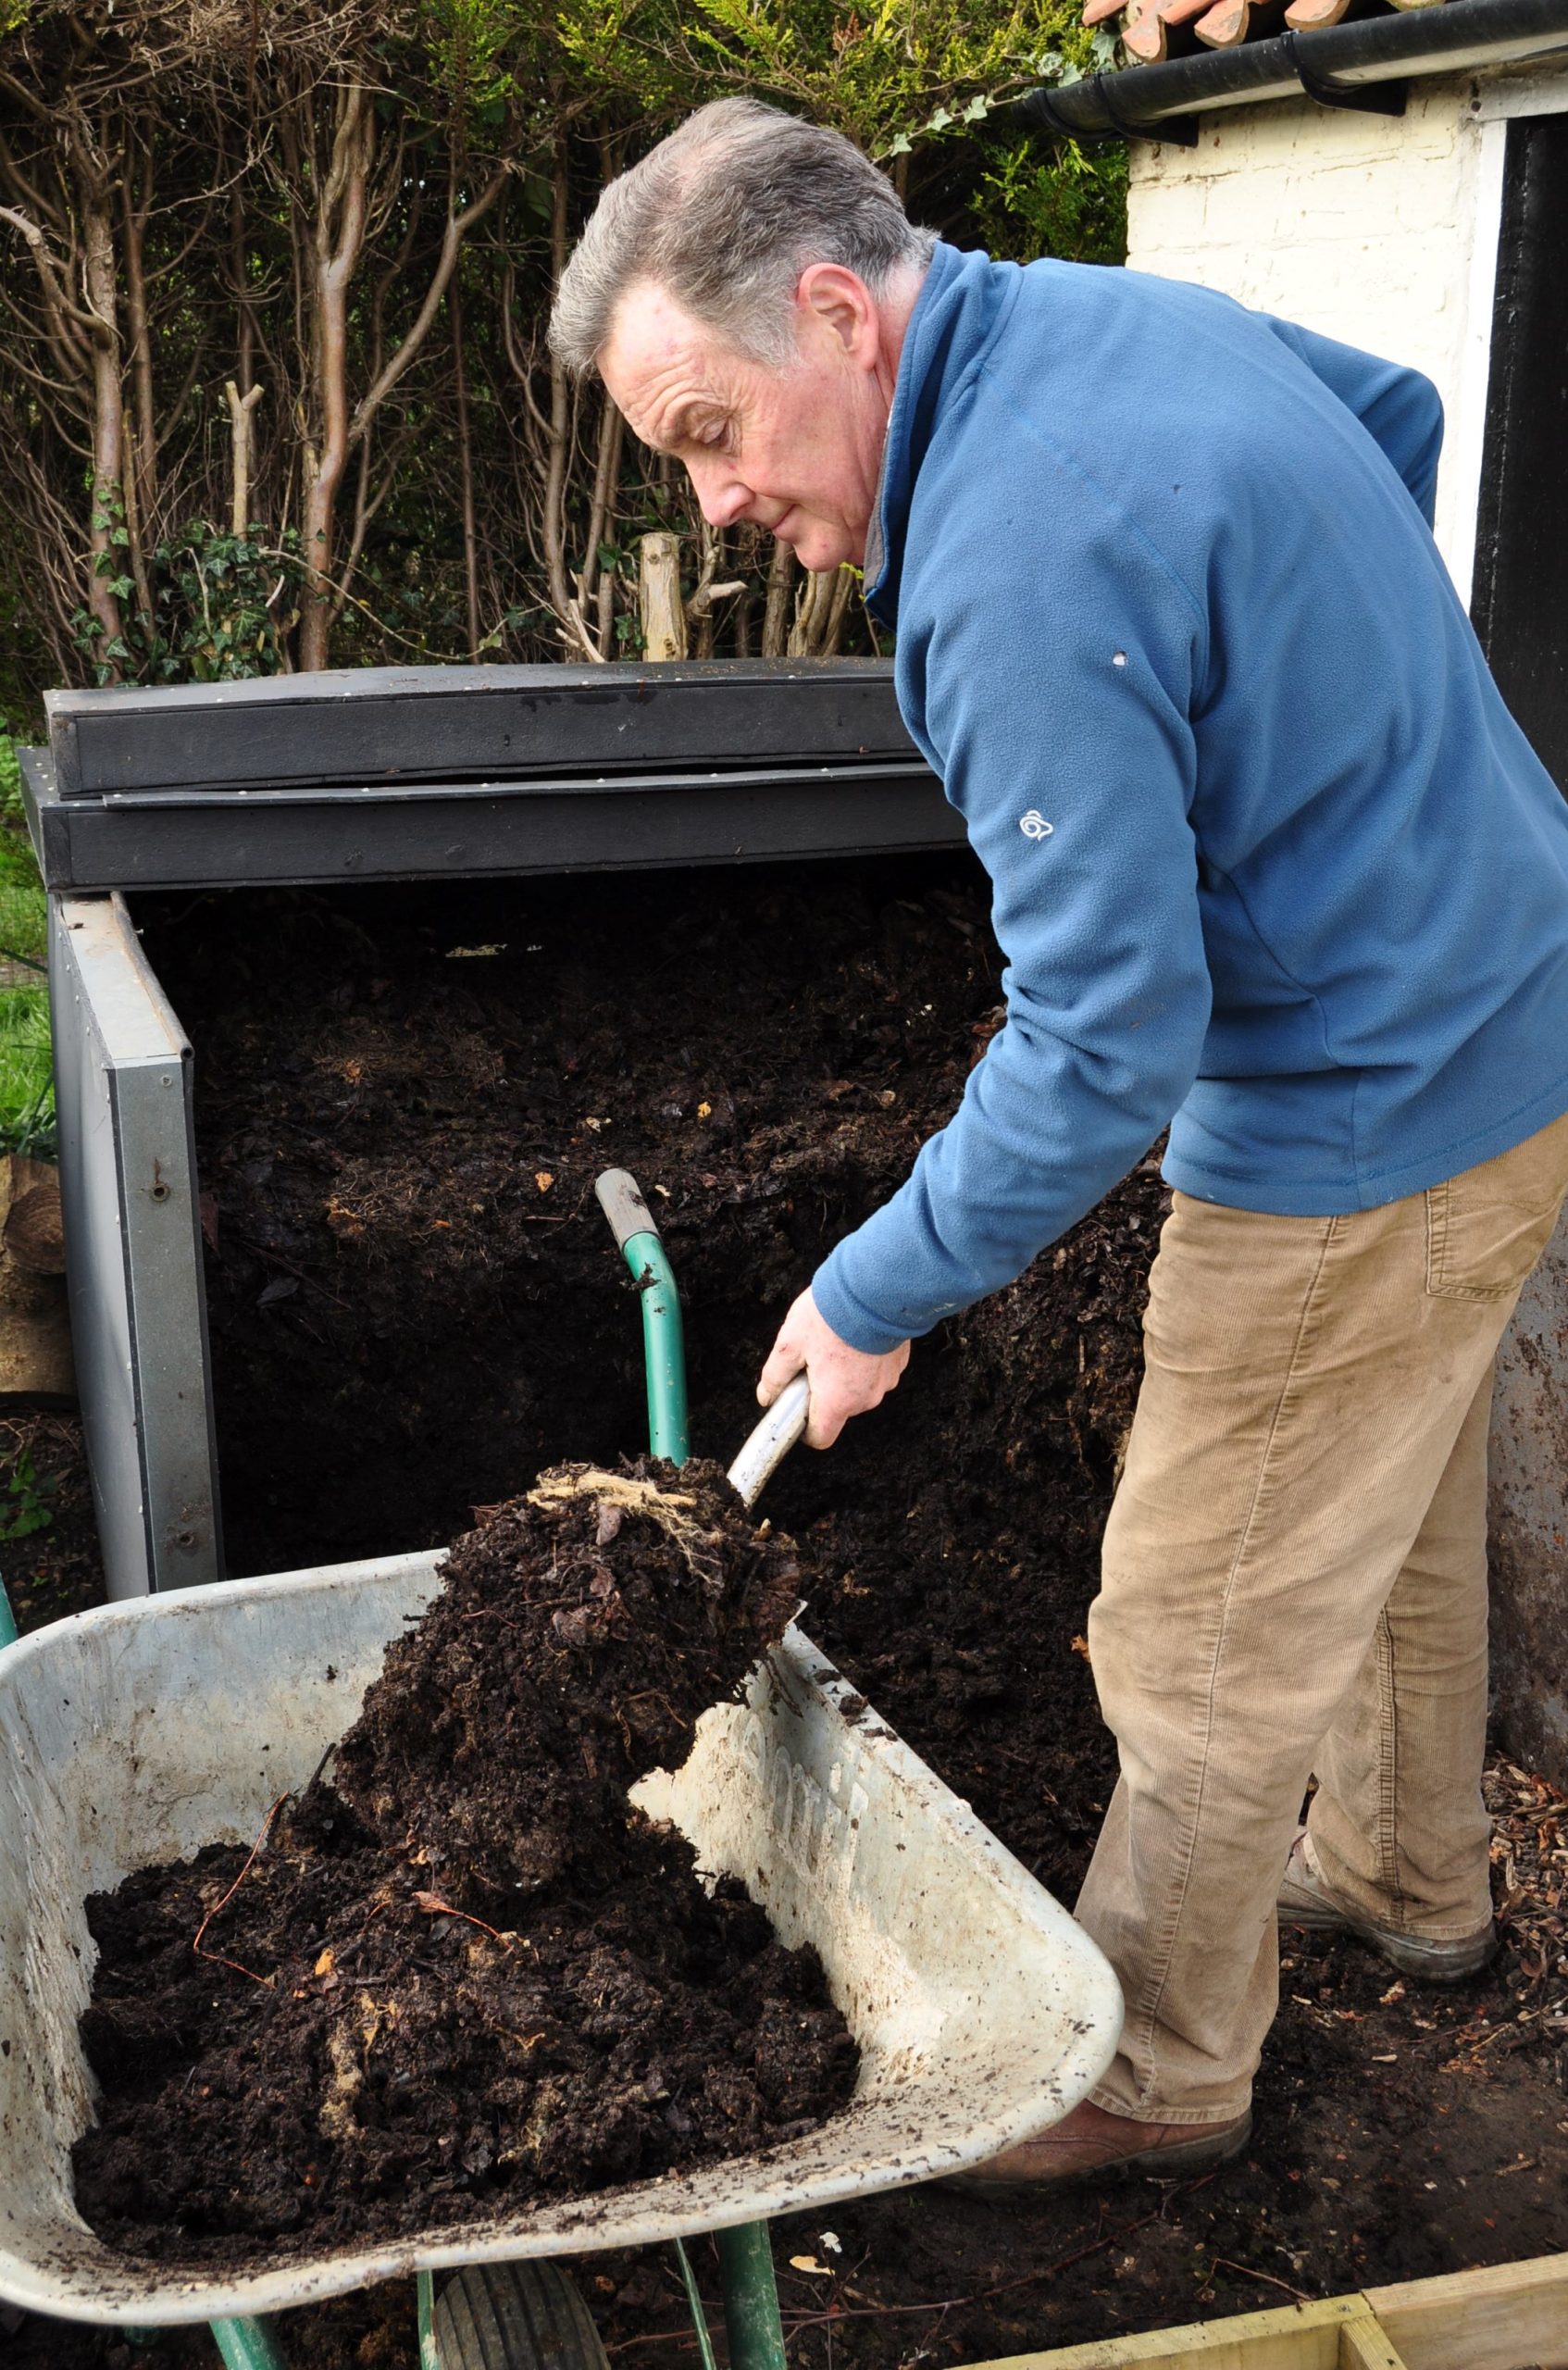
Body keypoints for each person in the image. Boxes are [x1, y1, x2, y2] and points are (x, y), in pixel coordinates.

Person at [548, 98, 1568, 2187]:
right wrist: (1353, 750)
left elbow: (1110, 1034)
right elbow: (1394, 416)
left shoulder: (1008, 552)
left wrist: (870, 1286)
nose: (720, 496)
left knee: (1200, 1598)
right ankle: (1408, 1875)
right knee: (1383, 1482)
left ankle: (1159, 2069)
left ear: (834, 308)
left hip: (1359, 1102)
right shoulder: (1104, 316)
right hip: (1510, 984)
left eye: (711, 431)